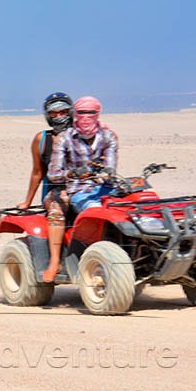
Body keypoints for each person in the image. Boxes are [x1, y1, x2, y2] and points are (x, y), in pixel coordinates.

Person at [43, 96, 119, 282]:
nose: (86, 117)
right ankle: (54, 262)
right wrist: (74, 173)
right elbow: (53, 173)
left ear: (98, 113)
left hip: (103, 189)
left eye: (91, 112)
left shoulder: (108, 136)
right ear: (75, 114)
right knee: (57, 211)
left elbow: (111, 168)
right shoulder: (64, 139)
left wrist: (106, 173)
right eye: (82, 112)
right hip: (71, 189)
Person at [17, 92, 73, 209]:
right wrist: (28, 202)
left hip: (83, 190)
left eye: (63, 112)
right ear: (48, 116)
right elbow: (37, 172)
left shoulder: (81, 136)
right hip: (55, 194)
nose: (59, 116)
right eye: (53, 113)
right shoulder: (41, 139)